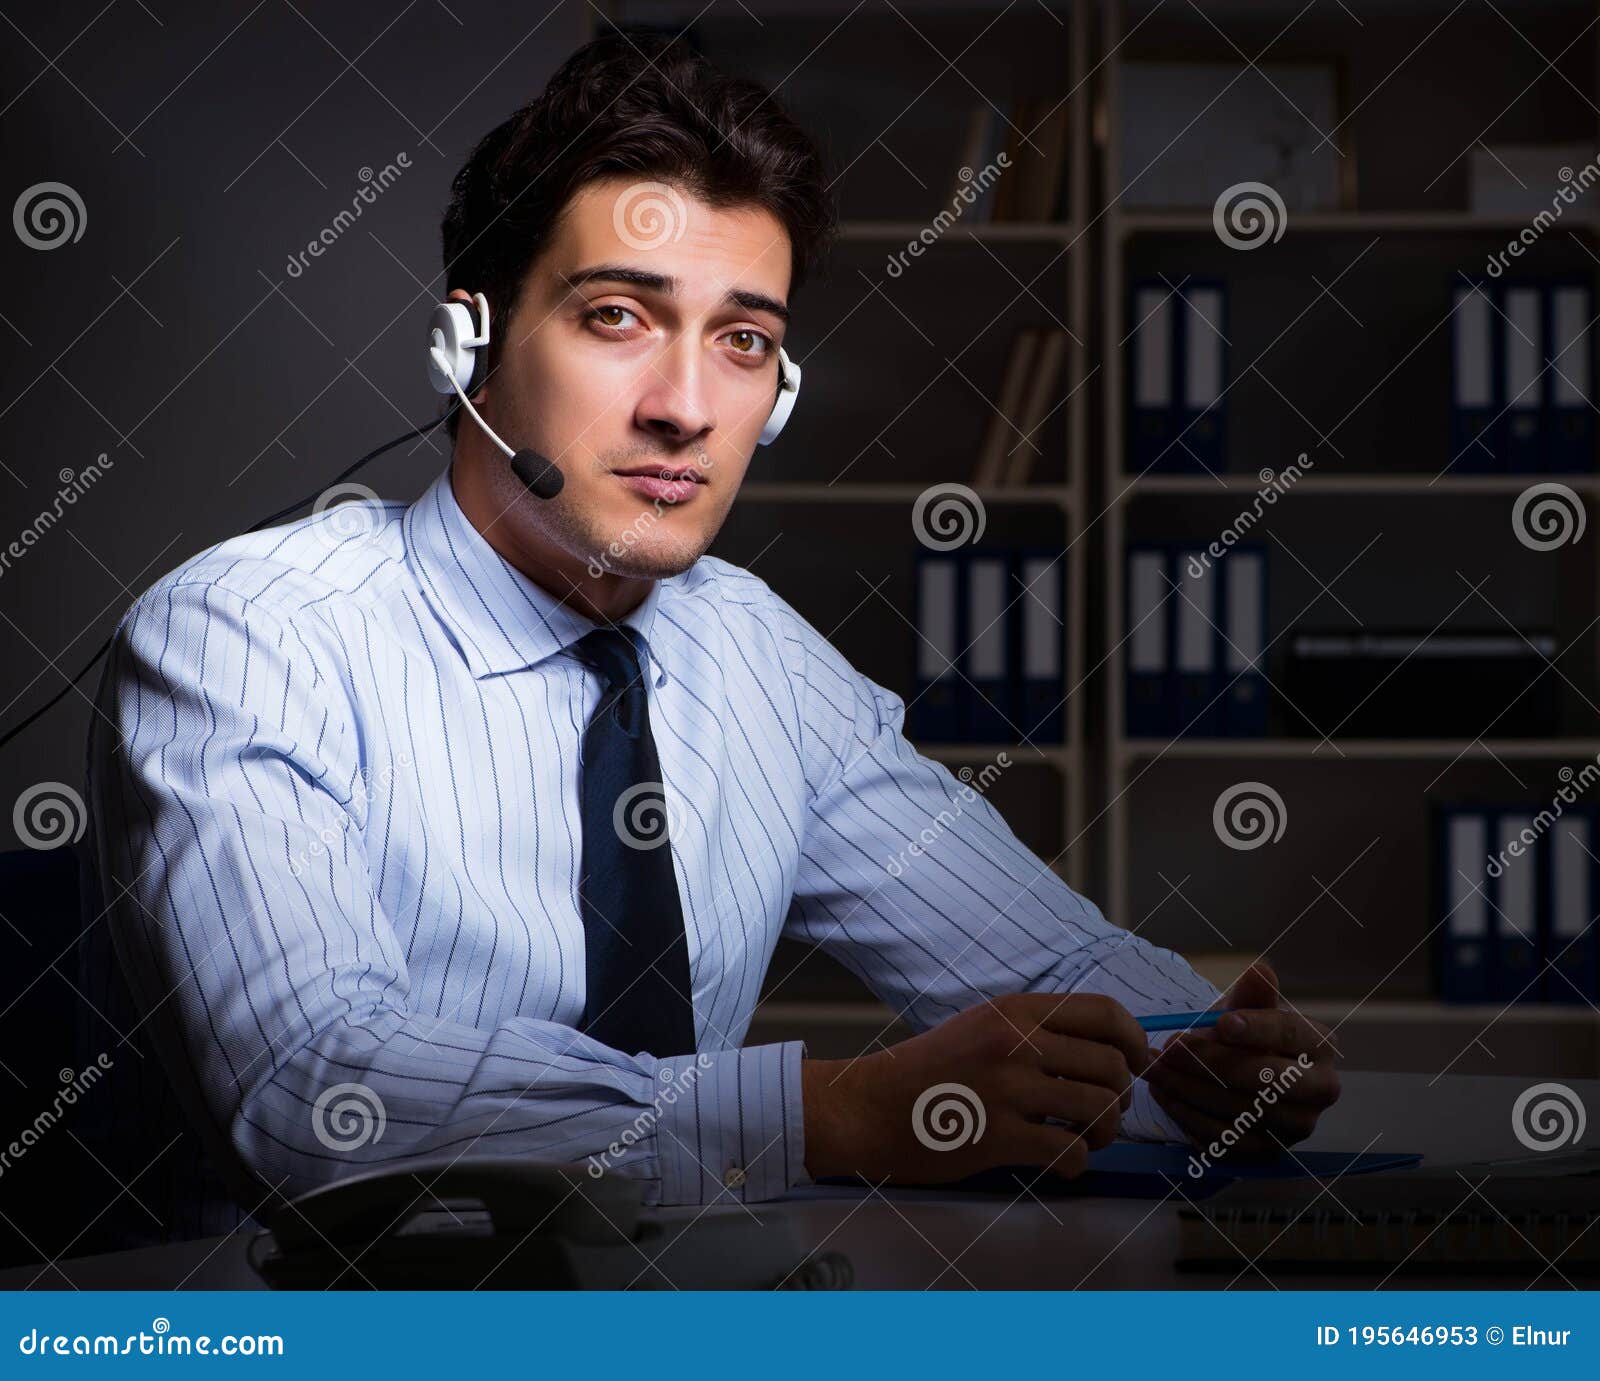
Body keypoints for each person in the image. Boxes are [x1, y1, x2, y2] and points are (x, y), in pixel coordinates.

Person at [81, 32, 1339, 1243]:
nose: (688, 409)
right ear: (467, 346)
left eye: (743, 342)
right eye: (619, 317)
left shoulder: (752, 650)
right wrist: (831, 1111)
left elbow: (1044, 954)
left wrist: (1198, 1052)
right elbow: (316, 1086)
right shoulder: (246, 636)